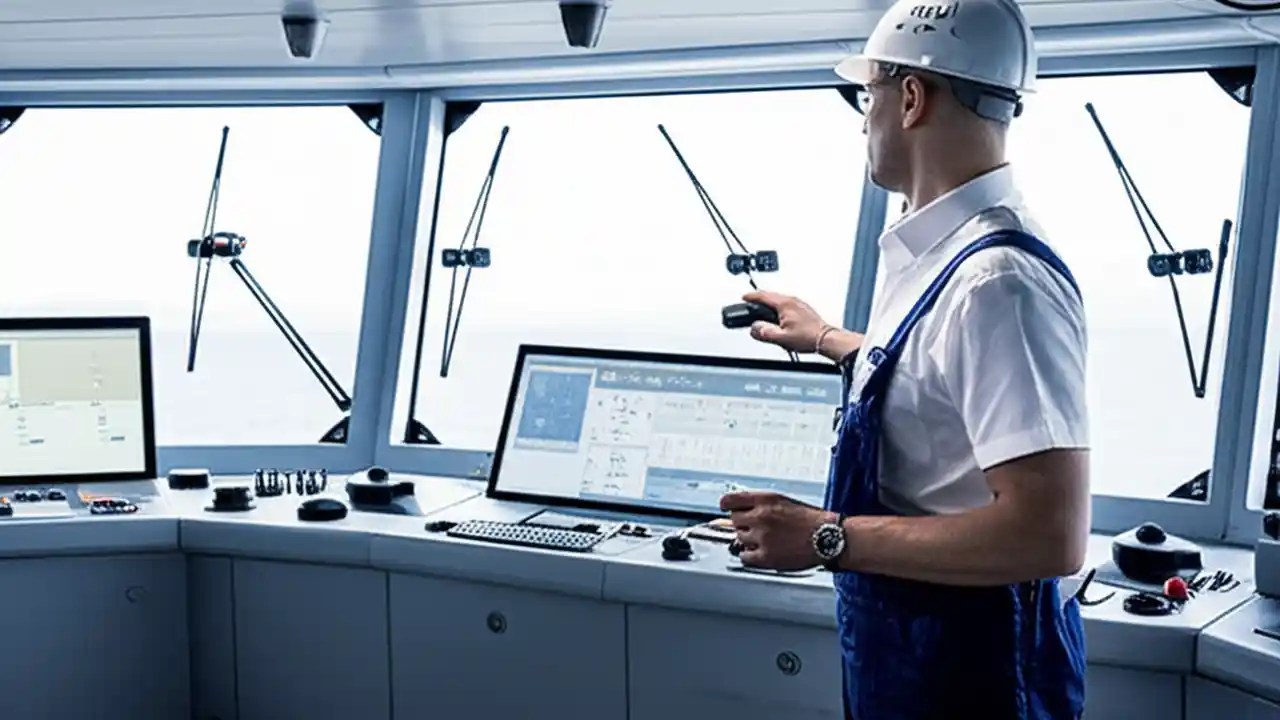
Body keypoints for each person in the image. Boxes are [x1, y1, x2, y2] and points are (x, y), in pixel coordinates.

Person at [718, 1, 1090, 718]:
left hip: (976, 677)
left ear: (912, 98)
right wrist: (829, 338)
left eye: (870, 96)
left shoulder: (999, 282)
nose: (865, 120)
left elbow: (1049, 533)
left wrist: (824, 537)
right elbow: (937, 383)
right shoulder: (941, 257)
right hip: (913, 664)